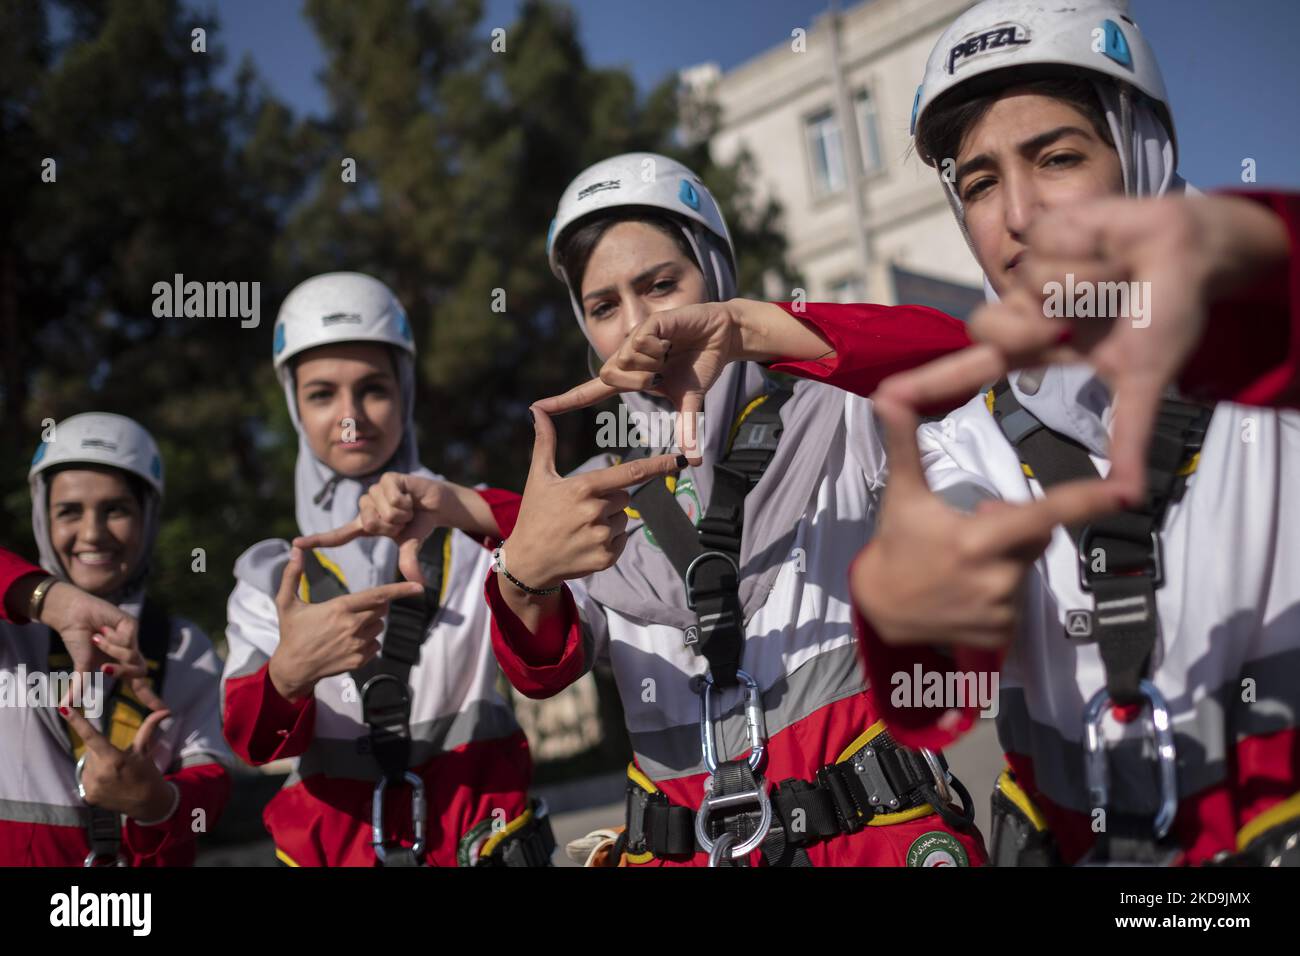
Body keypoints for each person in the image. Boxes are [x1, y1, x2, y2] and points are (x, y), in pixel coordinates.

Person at [343, 154, 991, 866]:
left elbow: (963, 358)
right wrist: (524, 579)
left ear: (715, 276)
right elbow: (543, 672)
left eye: (661, 286)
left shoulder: (839, 413)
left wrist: (748, 328)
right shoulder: (589, 492)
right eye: (602, 306)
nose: (636, 326)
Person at [847, 0, 1300, 865]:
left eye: (1056, 157)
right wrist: (910, 612)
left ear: (1143, 158)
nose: (1020, 215)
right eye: (978, 183)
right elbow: (934, 691)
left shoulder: (1274, 379)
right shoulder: (958, 443)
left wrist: (1254, 253)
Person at [221, 271, 551, 867]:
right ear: (295, 407)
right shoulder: (272, 573)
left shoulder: (472, 524)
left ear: (405, 392)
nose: (350, 419)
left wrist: (451, 503)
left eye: (373, 389)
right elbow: (249, 740)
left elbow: (565, 541)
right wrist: (286, 676)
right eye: (322, 395)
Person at [1, 413, 231, 866]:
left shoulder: (185, 647)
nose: (92, 534)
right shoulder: (9, 631)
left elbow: (212, 793)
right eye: (69, 511)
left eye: (116, 509)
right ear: (41, 518)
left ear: (148, 517)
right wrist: (45, 597)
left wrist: (158, 801)